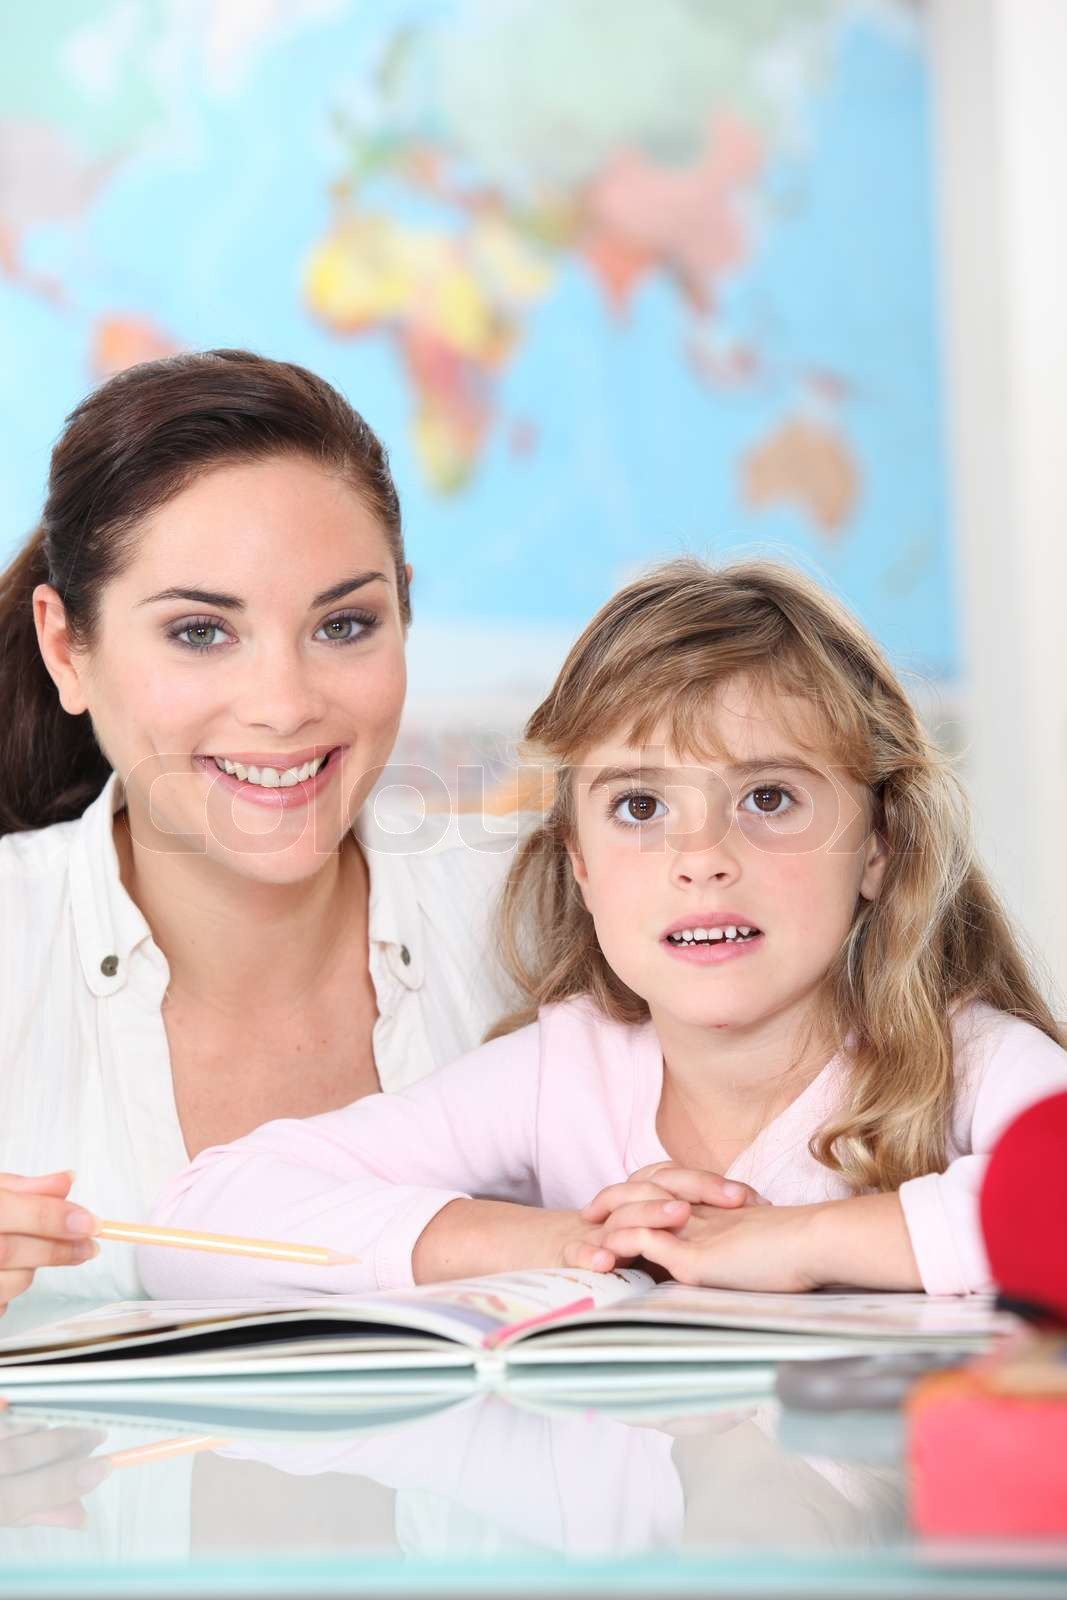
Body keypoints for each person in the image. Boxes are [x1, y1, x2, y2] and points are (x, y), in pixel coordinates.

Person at [140, 555, 1067, 1300]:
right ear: (577, 862)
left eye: (768, 797)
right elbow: (194, 1224)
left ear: (876, 845)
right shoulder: (565, 1074)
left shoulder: (964, 1062)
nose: (700, 856)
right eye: (636, 807)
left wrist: (795, 1242)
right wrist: (562, 1239)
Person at [0, 348, 527, 1314]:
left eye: (344, 625)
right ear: (65, 646)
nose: (283, 707)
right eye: (200, 631)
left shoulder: (550, 921)